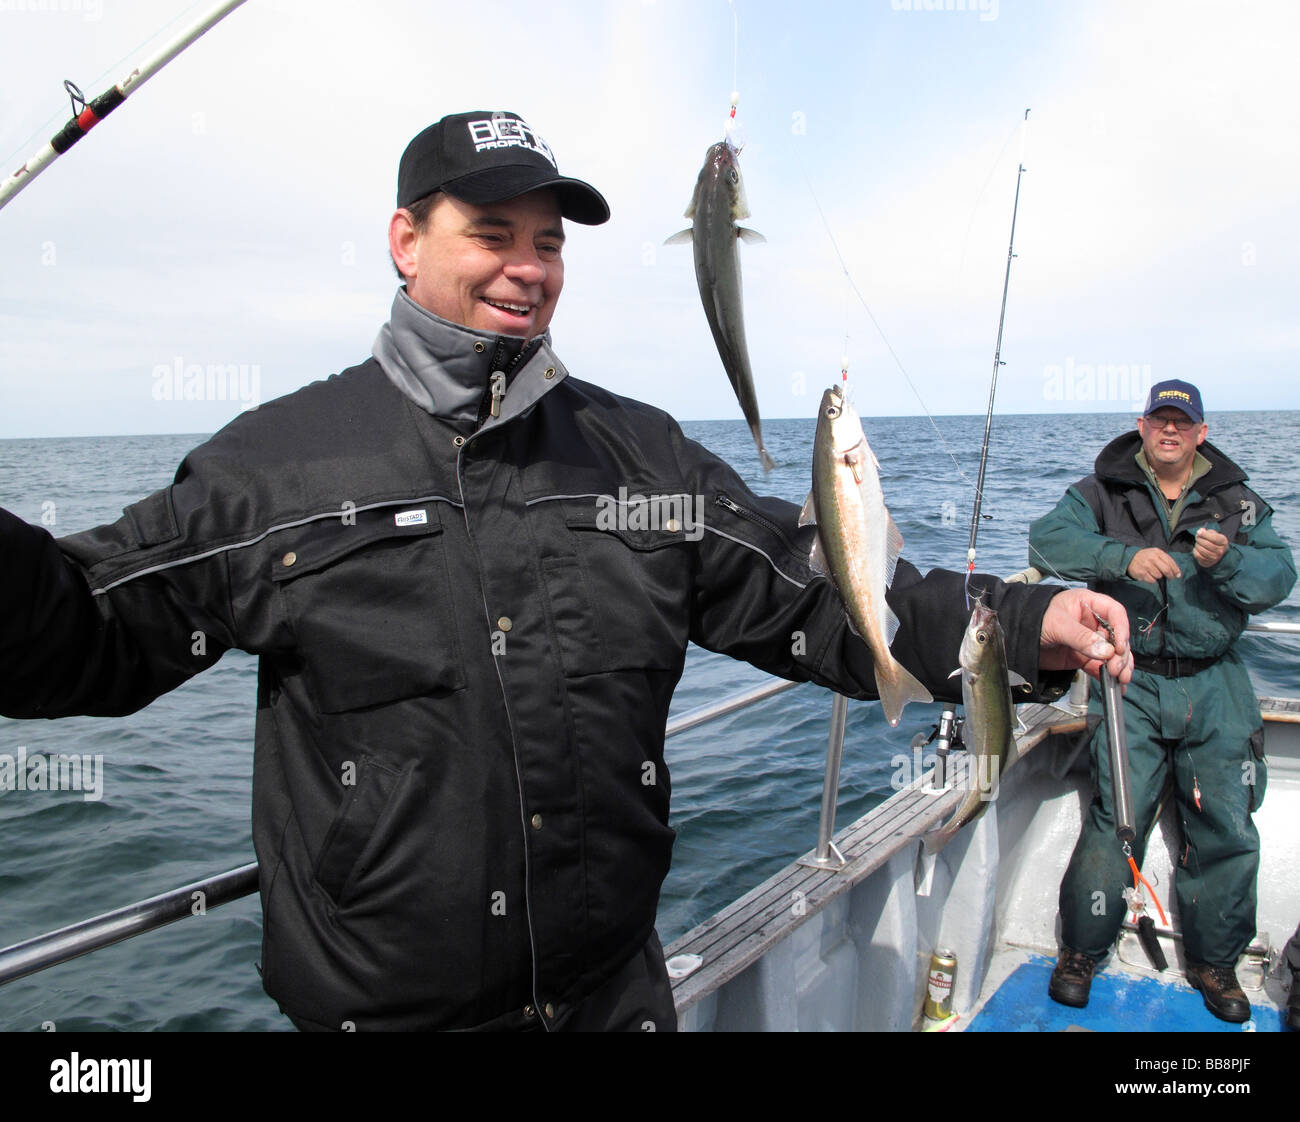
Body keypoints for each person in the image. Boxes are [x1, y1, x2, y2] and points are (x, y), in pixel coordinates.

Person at [0, 110, 1132, 1032]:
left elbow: (806, 588)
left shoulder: (636, 452)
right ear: (406, 240)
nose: (526, 269)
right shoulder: (281, 464)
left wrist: (1022, 619)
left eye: (548, 243)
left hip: (613, 1005)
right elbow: (86, 630)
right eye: (492, 232)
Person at [1030, 379, 1295, 1023]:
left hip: (1217, 684)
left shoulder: (1238, 503)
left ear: (1201, 432)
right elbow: (1045, 543)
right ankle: (1081, 952)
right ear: (1143, 426)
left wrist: (1229, 561)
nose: (1170, 430)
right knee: (1116, 815)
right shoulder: (1101, 491)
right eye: (1159, 419)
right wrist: (1122, 557)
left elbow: (1280, 576)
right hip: (1130, 677)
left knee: (1226, 823)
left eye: (1183, 421)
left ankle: (1215, 965)